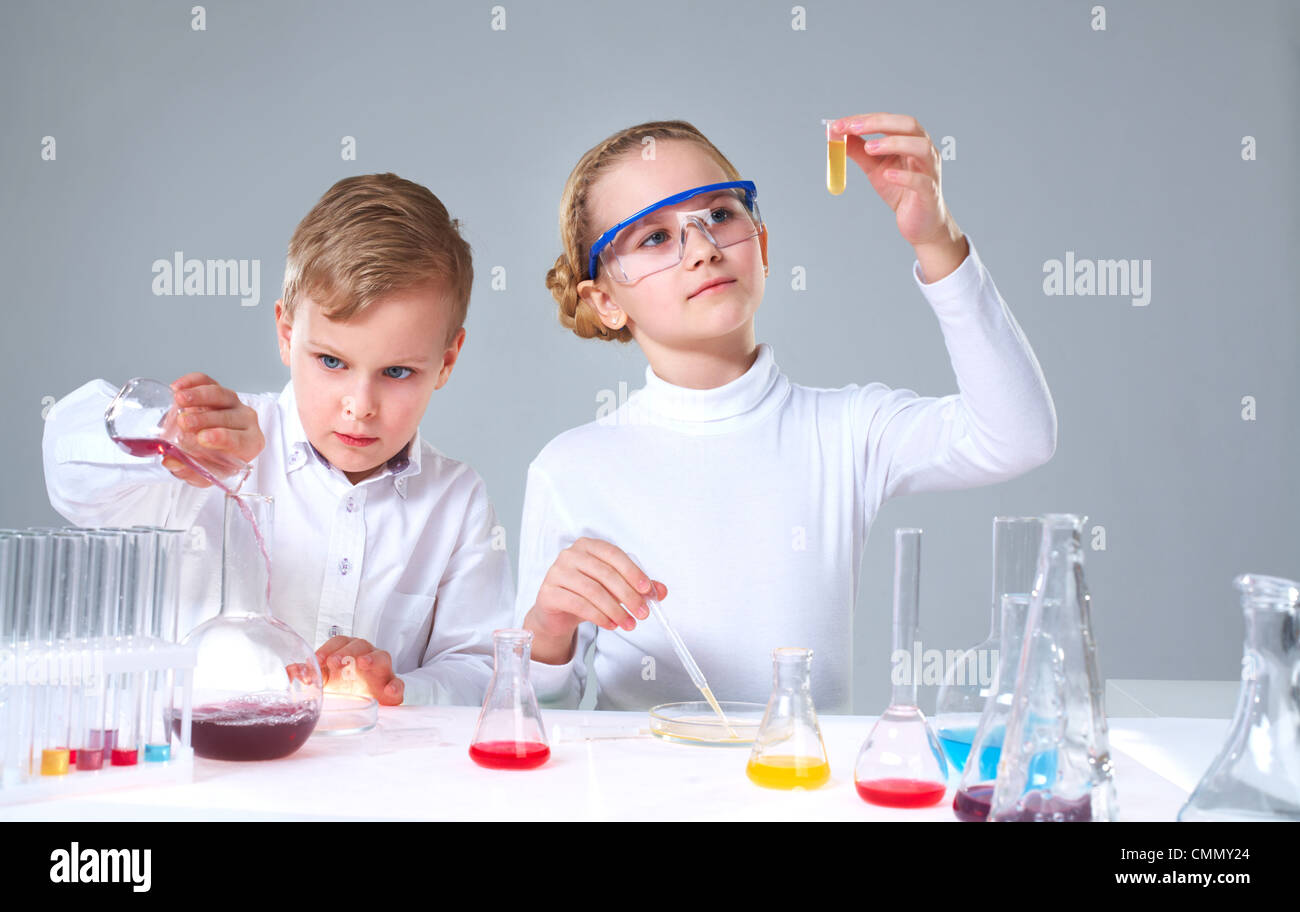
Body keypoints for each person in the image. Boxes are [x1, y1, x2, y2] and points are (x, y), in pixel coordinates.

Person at [516, 117, 1057, 712]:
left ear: (763, 246)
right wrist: (547, 630)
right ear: (605, 302)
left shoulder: (846, 432)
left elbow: (1018, 435)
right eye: (654, 238)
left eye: (720, 214)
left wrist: (938, 241)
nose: (704, 248)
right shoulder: (571, 469)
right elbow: (535, 720)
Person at [42, 173, 513, 706]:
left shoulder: (457, 502)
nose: (360, 404)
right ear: (287, 335)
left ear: (446, 361)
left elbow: (479, 668)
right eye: (332, 361)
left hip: (373, 780)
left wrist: (397, 689)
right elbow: (67, 468)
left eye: (397, 372)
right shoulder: (211, 451)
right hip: (211, 774)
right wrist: (168, 439)